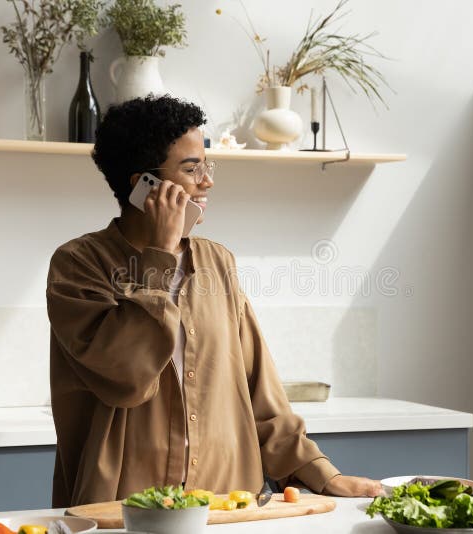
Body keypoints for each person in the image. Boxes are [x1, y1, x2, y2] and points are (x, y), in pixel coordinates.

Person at [46, 95, 384, 507]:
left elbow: (261, 394)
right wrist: (161, 256)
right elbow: (128, 377)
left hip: (228, 504)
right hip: (125, 509)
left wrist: (323, 474)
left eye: (208, 165)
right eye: (191, 169)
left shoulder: (217, 262)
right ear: (143, 186)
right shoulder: (78, 265)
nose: (207, 181)